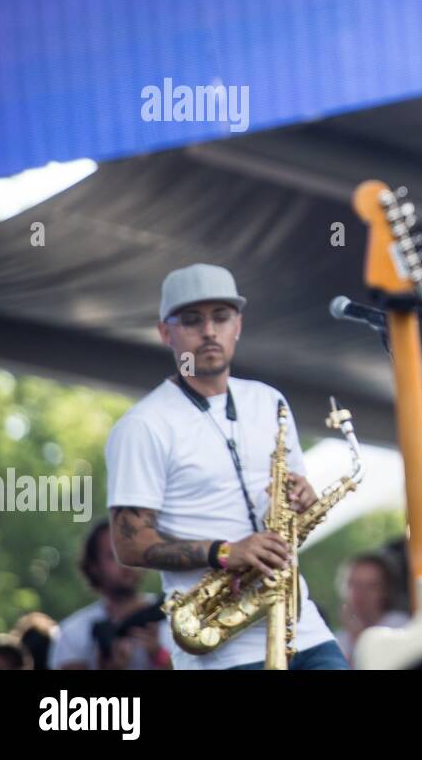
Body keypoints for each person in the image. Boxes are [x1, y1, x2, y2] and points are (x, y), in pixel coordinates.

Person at [105, 264, 346, 669]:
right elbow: (129, 543)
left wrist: (301, 497)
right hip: (219, 643)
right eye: (192, 320)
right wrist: (224, 552)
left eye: (221, 317)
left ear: (238, 325)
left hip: (301, 627)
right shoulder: (142, 425)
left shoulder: (271, 402)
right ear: (166, 332)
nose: (209, 332)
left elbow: (292, 502)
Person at [49, 520, 171, 669]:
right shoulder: (72, 633)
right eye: (113, 556)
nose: (126, 563)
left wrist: (158, 655)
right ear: (94, 566)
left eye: (131, 551)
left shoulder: (175, 616)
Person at [334, 553, 410, 662]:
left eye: (371, 586)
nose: (361, 593)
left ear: (385, 591)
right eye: (354, 584)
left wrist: (358, 636)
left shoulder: (400, 626)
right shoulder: (337, 642)